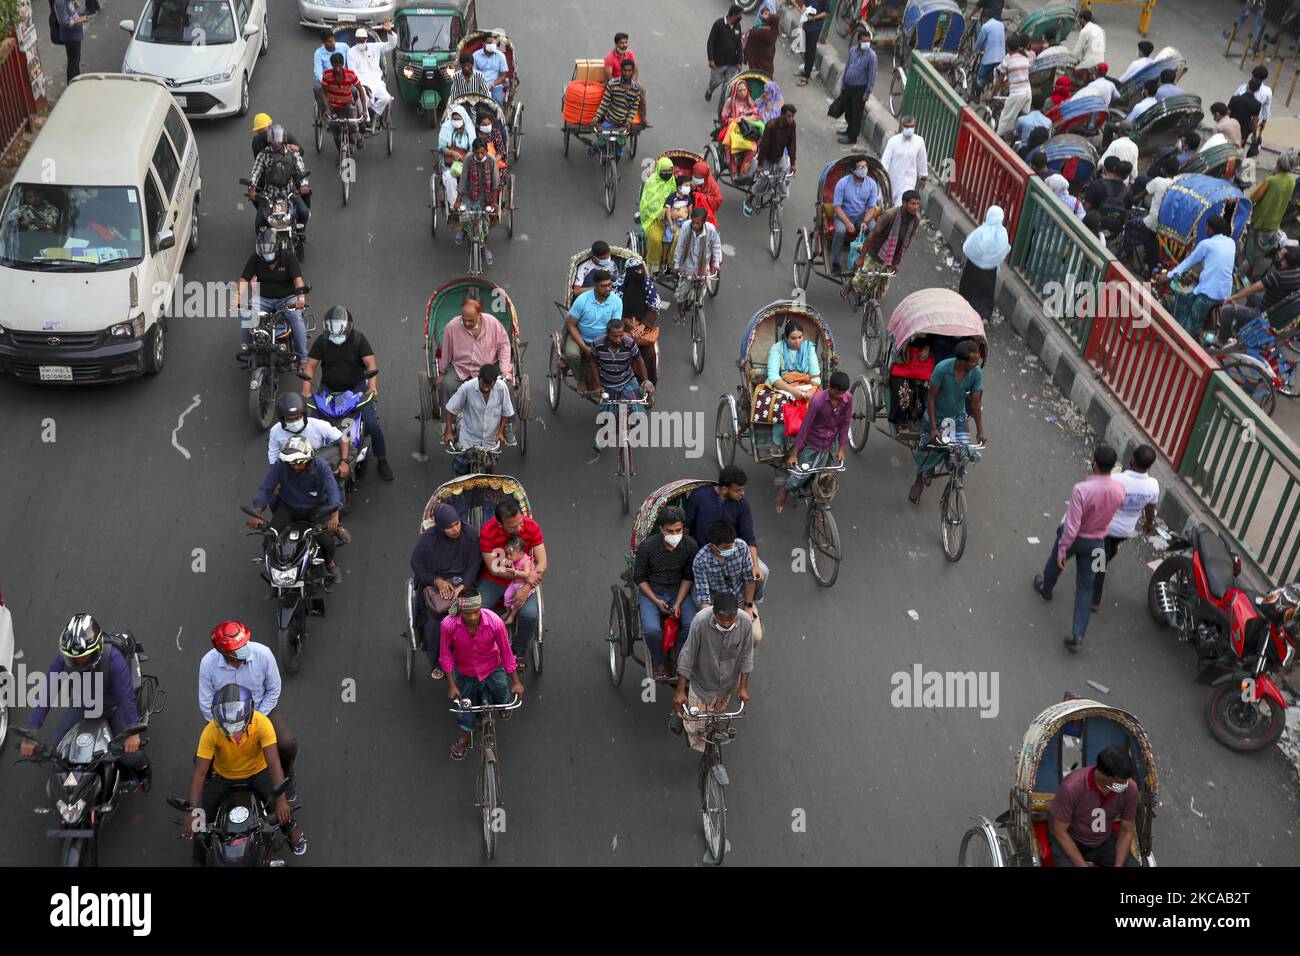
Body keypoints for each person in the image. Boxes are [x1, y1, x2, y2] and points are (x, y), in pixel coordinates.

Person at [20, 614, 150, 790]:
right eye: (72, 658)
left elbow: (126, 697)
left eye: (82, 657)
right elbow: (47, 692)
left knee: (130, 757)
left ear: (96, 650)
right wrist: (31, 733)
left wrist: (133, 731)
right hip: (83, 705)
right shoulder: (65, 658)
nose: (76, 662)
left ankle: (144, 770)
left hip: (113, 707)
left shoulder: (113, 659)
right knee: (57, 754)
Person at [183, 683, 305, 862]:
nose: (233, 734)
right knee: (201, 820)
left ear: (249, 715)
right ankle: (198, 858)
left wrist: (281, 802)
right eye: (228, 727)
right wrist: (192, 811)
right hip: (224, 776)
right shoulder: (210, 731)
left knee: (280, 807)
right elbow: (200, 773)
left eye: (237, 726)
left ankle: (290, 828)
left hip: (258, 772)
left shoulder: (262, 723)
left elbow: (273, 763)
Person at [1033, 444, 1126, 651]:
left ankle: (1046, 589)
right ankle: (1078, 636)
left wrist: (1063, 549)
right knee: (1086, 587)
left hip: (1075, 539)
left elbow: (1072, 525)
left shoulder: (1081, 490)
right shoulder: (1120, 490)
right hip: (1099, 543)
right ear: (1112, 468)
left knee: (1054, 563)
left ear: (1094, 464)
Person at [199, 622, 297, 794]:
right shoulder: (208, 663)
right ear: (223, 652)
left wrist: (256, 719)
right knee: (202, 760)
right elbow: (206, 704)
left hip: (260, 711)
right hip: (223, 718)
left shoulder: (264, 654)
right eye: (238, 647)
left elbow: (274, 690)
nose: (245, 649)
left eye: (245, 643)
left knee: (288, 744)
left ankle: (286, 775)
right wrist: (226, 726)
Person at [301, 306, 394, 481]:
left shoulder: (359, 340)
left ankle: (382, 459)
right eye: (332, 330)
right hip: (328, 390)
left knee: (373, 425)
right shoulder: (321, 342)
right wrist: (306, 391)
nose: (336, 335)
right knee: (312, 423)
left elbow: (371, 366)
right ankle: (309, 460)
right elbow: (310, 366)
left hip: (356, 390)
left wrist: (371, 389)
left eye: (340, 330)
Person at [440, 589, 525, 760]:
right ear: (460, 611)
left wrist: (516, 681)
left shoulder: (495, 622)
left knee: (502, 694)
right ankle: (465, 737)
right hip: (465, 671)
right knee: (465, 707)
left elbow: (506, 653)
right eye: (467, 613)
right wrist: (452, 685)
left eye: (475, 611)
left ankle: (502, 706)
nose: (472, 617)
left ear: (480, 608)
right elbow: (446, 656)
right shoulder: (448, 625)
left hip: (493, 667)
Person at [249, 437, 344, 583]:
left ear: (309, 458)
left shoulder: (322, 466)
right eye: (291, 463)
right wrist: (257, 512)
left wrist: (334, 516)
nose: (295, 467)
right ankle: (273, 567)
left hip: (316, 509)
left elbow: (332, 492)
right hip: (289, 507)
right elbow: (266, 489)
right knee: (270, 538)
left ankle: (330, 563)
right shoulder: (280, 466)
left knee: (325, 540)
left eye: (299, 462)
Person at [672, 592, 754, 754]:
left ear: (736, 614)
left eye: (730, 620)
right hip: (702, 683)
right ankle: (682, 719)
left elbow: (747, 657)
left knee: (716, 718)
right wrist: (680, 691)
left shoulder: (745, 623)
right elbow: (688, 656)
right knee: (694, 727)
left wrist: (743, 687)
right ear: (713, 612)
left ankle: (709, 751)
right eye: (721, 619)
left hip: (727, 685)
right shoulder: (700, 621)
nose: (726, 623)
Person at [909, 340, 987, 503]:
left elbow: (975, 402)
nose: (977, 363)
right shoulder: (942, 369)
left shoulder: (976, 373)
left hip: (958, 418)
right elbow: (931, 398)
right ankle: (918, 480)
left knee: (962, 453)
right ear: (961, 361)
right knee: (927, 451)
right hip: (936, 417)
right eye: (973, 361)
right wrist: (932, 427)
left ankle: (956, 484)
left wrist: (980, 430)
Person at [411, 502, 481, 676]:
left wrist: (464, 584)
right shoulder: (428, 540)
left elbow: (475, 562)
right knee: (435, 626)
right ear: (441, 527)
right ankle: (438, 662)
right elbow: (416, 564)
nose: (456, 529)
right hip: (437, 586)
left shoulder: (470, 534)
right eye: (450, 527)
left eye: (457, 523)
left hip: (465, 582)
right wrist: (437, 581)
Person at [477, 498, 547, 665]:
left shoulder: (531, 526)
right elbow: (494, 568)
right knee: (478, 611)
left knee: (530, 615)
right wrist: (523, 576)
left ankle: (519, 650)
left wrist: (527, 585)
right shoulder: (488, 532)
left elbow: (542, 561)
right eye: (513, 527)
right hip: (495, 579)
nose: (520, 528)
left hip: (525, 582)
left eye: (520, 523)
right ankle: (486, 648)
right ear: (500, 524)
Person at [635, 506, 700, 681]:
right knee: (651, 630)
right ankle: (659, 661)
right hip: (652, 592)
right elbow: (640, 579)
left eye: (678, 530)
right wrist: (656, 601)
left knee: (693, 624)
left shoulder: (690, 545)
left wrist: (678, 603)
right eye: (670, 531)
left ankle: (677, 654)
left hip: (679, 591)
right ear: (662, 529)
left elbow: (688, 576)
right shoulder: (647, 547)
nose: (675, 534)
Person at [686, 467, 769, 605]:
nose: (742, 493)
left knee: (763, 571)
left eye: (743, 489)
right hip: (703, 552)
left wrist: (755, 565)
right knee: (697, 598)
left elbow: (749, 537)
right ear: (724, 489)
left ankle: (753, 601)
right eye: (738, 490)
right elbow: (687, 528)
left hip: (732, 548)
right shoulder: (699, 496)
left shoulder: (742, 505)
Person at [1091, 445, 1159, 612]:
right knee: (1111, 549)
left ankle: (1094, 600)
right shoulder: (1153, 485)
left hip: (1106, 528)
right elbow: (1150, 508)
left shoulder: (1117, 479)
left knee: (1099, 565)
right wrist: (1148, 524)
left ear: (1132, 460)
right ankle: (1104, 558)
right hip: (1126, 531)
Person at [1048, 746, 1140, 867]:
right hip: (1070, 838)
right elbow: (1060, 832)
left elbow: (1126, 831)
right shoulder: (1072, 788)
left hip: (1104, 841)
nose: (1124, 785)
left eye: (1126, 780)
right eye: (1119, 781)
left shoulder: (1130, 789)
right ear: (1104, 775)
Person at [777, 370, 851, 513]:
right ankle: (785, 491)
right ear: (830, 387)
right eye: (838, 393)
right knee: (800, 475)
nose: (841, 397)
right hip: (812, 444)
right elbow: (805, 427)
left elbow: (846, 423)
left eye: (843, 393)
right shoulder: (818, 401)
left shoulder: (847, 399)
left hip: (829, 445)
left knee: (826, 480)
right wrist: (794, 454)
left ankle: (820, 509)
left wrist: (842, 448)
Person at [238, 229, 308, 363]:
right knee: (246, 315)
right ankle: (248, 352)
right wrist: (237, 297)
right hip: (263, 299)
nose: (266, 254)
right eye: (263, 250)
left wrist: (301, 298)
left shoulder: (289, 257)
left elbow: (298, 280)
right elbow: (243, 279)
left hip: (287, 298)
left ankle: (303, 358)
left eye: (269, 250)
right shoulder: (255, 258)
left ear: (277, 248)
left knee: (296, 318)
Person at [1160, 215, 1237, 336]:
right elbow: (1216, 264)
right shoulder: (1231, 243)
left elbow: (1188, 263)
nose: (1206, 229)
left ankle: (1179, 336)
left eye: (1207, 227)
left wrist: (1169, 275)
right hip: (1226, 292)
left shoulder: (1206, 244)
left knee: (1183, 297)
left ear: (1210, 229)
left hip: (1209, 293)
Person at [437, 297, 514, 410]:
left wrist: (504, 371)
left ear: (479, 315)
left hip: (488, 370)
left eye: (471, 320)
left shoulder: (493, 324)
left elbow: (504, 346)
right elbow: (446, 351)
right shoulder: (452, 327)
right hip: (461, 370)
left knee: (507, 387)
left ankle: (509, 423)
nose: (467, 323)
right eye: (464, 320)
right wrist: (442, 372)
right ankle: (448, 422)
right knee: (446, 385)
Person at [442, 362, 513, 468]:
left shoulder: (502, 388)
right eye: (483, 386)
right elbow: (450, 409)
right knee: (461, 471)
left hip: (490, 439)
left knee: (490, 470)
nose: (485, 390)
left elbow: (506, 412)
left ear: (494, 382)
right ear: (479, 378)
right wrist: (448, 431)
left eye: (489, 388)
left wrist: (500, 432)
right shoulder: (467, 387)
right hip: (469, 439)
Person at [267, 392, 348, 484]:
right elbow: (273, 457)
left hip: (319, 462)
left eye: (297, 418)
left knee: (336, 487)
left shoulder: (318, 425)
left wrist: (344, 461)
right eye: (289, 419)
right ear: (282, 420)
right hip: (293, 469)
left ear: (304, 415)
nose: (294, 422)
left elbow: (343, 438)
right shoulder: (275, 431)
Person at [566, 269, 623, 393]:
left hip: (604, 339)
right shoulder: (582, 300)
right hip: (580, 337)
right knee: (571, 355)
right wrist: (584, 347)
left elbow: (614, 328)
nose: (608, 288)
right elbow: (571, 325)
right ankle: (581, 378)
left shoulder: (616, 302)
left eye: (609, 285)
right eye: (603, 286)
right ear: (595, 286)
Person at [246, 125, 311, 234]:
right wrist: (251, 188)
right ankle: (264, 247)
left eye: (278, 140)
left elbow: (301, 169)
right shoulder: (264, 154)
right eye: (274, 140)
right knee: (259, 224)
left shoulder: (292, 152)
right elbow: (256, 172)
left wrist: (304, 185)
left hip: (289, 193)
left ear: (283, 140)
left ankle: (299, 233)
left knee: (304, 213)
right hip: (269, 195)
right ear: (270, 140)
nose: (276, 143)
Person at [1243, 152, 1298, 278]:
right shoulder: (1291, 181)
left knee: (1251, 250)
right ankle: (1250, 269)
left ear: (1279, 163)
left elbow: (1253, 197)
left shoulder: (1271, 181)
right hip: (1275, 222)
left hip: (1261, 220)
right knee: (1260, 248)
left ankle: (1243, 273)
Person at [692, 521, 758, 619]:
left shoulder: (741, 547)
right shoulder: (700, 561)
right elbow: (704, 597)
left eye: (732, 545)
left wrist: (748, 606)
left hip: (739, 599)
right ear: (712, 546)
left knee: (756, 634)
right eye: (726, 547)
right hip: (716, 605)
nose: (731, 549)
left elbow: (749, 580)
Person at [1224, 243, 1300, 328]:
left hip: (1264, 313)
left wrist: (1232, 297)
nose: (1278, 257)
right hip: (1276, 309)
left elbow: (1253, 288)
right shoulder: (1297, 273)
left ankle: (1221, 340)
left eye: (1281, 256)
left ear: (1285, 261)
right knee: (1253, 296)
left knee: (1227, 310)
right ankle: (1239, 327)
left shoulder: (1278, 276)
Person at [829, 155, 882, 274]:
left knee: (874, 229)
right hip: (843, 216)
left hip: (861, 216)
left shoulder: (872, 184)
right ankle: (835, 262)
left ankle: (869, 259)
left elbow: (872, 207)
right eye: (860, 167)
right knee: (840, 231)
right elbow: (837, 206)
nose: (864, 169)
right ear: (853, 170)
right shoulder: (842, 183)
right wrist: (847, 222)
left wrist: (865, 221)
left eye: (865, 166)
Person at [743, 103, 797, 218]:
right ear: (782, 115)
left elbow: (792, 144)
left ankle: (778, 200)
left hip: (780, 156)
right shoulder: (771, 126)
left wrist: (793, 163)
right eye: (789, 116)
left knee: (783, 180)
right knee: (762, 181)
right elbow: (764, 146)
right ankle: (749, 200)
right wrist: (761, 164)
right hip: (767, 157)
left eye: (792, 116)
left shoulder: (792, 125)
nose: (791, 119)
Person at [960, 206, 1011, 323]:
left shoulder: (981, 232)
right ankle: (984, 316)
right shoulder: (1003, 234)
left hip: (973, 267)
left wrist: (978, 259)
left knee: (969, 288)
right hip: (990, 270)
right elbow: (1004, 250)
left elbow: (967, 247)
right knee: (986, 292)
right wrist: (991, 261)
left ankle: (964, 310)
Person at [618, 257, 665, 385]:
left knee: (650, 354)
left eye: (640, 271)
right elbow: (613, 310)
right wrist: (628, 326)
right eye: (635, 271)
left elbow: (654, 306)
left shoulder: (647, 285)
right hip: (621, 327)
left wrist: (642, 326)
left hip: (642, 327)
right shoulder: (618, 287)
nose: (638, 274)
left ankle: (649, 386)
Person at [856, 189, 922, 280]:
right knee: (859, 281)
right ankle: (849, 285)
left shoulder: (916, 219)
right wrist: (861, 257)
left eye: (918, 204)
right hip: (875, 253)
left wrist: (897, 262)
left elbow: (908, 241)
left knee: (880, 290)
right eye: (913, 204)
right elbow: (873, 234)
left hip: (891, 259)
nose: (916, 207)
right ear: (904, 203)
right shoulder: (889, 215)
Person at [673, 206, 723, 323]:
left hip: (702, 266)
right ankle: (679, 311)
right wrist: (676, 265)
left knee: (701, 290)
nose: (695, 225)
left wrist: (715, 264)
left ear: (704, 222)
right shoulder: (686, 227)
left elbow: (716, 247)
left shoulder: (711, 230)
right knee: (682, 291)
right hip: (688, 264)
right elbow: (680, 246)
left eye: (698, 223)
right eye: (693, 222)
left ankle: (698, 305)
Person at [592, 58, 648, 160]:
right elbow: (605, 101)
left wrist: (627, 122)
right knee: (601, 141)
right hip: (610, 119)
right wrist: (597, 116)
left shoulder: (636, 89)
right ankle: (597, 147)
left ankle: (614, 172)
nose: (627, 73)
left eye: (629, 71)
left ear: (632, 72)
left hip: (623, 123)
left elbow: (633, 108)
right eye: (625, 70)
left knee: (620, 147)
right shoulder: (612, 84)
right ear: (621, 70)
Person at [456, 137, 501, 264]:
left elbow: (495, 184)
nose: (480, 155)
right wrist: (458, 200)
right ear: (473, 151)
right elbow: (463, 180)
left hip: (485, 197)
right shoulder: (468, 159)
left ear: (486, 151)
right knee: (464, 213)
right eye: (477, 153)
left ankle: (483, 249)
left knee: (484, 222)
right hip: (470, 194)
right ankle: (464, 230)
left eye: (482, 152)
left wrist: (494, 202)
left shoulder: (492, 161)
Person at [346, 23, 398, 125]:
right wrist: (363, 86)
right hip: (361, 84)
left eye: (362, 40)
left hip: (377, 83)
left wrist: (389, 31)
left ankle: (375, 112)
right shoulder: (351, 52)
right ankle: (364, 119)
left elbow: (391, 45)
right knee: (362, 102)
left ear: (366, 39)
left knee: (387, 99)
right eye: (358, 40)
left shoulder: (375, 47)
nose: (360, 43)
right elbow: (353, 72)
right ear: (355, 40)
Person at [836, 27, 877, 145]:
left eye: (868, 41)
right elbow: (847, 67)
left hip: (860, 89)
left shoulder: (871, 56)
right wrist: (843, 83)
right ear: (859, 41)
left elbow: (872, 76)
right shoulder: (853, 51)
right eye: (864, 41)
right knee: (848, 110)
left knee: (856, 113)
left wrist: (867, 93)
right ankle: (849, 130)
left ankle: (852, 137)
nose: (866, 43)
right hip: (849, 85)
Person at [321, 52, 368, 149]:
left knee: (353, 125)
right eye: (335, 66)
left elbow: (360, 90)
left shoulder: (351, 75)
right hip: (333, 106)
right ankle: (340, 153)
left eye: (339, 66)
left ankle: (357, 136)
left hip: (348, 104)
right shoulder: (327, 75)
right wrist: (326, 108)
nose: (337, 69)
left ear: (342, 65)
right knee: (333, 128)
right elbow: (323, 93)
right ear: (332, 65)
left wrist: (364, 109)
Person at [640, 157, 678, 272]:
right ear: (659, 170)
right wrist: (661, 212)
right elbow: (647, 204)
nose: (667, 174)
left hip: (672, 220)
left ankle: (670, 264)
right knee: (656, 239)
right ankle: (654, 266)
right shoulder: (651, 182)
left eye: (669, 171)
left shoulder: (673, 182)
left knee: (678, 238)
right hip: (654, 220)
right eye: (664, 171)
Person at [992, 35, 1033, 141]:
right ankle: (1015, 141)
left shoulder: (1007, 61)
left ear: (1008, 48)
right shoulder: (1025, 59)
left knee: (1003, 122)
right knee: (1022, 119)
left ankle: (996, 143)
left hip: (1017, 93)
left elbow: (999, 81)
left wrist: (991, 94)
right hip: (1028, 92)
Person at [881, 116, 928, 207]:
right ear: (902, 126)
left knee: (901, 207)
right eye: (907, 127)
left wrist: (923, 177)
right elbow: (886, 160)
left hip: (908, 181)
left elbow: (922, 159)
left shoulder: (919, 141)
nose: (909, 129)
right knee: (888, 205)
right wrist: (882, 175)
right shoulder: (893, 141)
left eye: (912, 126)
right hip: (892, 179)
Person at [436, 103, 474, 208]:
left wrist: (466, 158)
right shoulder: (446, 127)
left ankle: (470, 204)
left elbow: (473, 148)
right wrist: (452, 153)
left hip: (466, 160)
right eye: (454, 119)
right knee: (449, 178)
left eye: (458, 119)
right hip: (449, 161)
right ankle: (454, 206)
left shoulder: (470, 129)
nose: (456, 121)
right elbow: (441, 147)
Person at [491, 537, 533, 626]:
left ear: (521, 554)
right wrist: (505, 561)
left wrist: (515, 572)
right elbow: (502, 564)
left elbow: (526, 574)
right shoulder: (511, 558)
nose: (508, 556)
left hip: (523, 583)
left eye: (510, 554)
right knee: (507, 596)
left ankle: (512, 616)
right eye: (507, 554)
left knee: (516, 601)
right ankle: (508, 611)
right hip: (514, 583)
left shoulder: (526, 561)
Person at [1083, 156, 1130, 235]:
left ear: (1104, 169)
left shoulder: (1096, 184)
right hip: (1112, 232)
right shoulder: (1128, 192)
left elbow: (1086, 208)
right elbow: (1126, 215)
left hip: (1092, 230)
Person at [707, 5, 745, 101]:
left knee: (728, 86)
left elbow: (739, 45)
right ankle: (709, 90)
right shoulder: (718, 24)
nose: (741, 17)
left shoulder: (737, 26)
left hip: (732, 63)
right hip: (718, 62)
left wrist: (739, 61)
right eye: (739, 15)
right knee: (715, 82)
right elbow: (710, 42)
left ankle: (723, 104)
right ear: (732, 15)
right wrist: (711, 59)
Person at [1236, 65, 1273, 157]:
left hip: (1237, 118)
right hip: (1250, 124)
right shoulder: (1267, 92)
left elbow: (1232, 102)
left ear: (1252, 75)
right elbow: (1265, 110)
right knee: (1242, 141)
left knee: (1236, 139)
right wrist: (1259, 129)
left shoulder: (1242, 87)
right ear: (1265, 78)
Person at [52, 0, 89, 83]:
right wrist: (80, 20)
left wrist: (74, 3)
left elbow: (71, 12)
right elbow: (64, 22)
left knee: (76, 60)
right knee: (73, 62)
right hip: (70, 36)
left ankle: (78, 82)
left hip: (75, 34)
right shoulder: (60, 2)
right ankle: (71, 85)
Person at [972, 9, 1006, 99]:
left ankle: (977, 97)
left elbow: (979, 42)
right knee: (997, 77)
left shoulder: (985, 27)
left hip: (990, 58)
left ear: (984, 17)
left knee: (980, 77)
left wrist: (974, 50)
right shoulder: (1001, 25)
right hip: (1002, 57)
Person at [313, 30, 350, 113]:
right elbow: (318, 72)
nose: (332, 43)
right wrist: (326, 82)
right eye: (329, 42)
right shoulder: (318, 53)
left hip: (343, 77)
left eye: (333, 40)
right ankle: (325, 110)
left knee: (354, 89)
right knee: (317, 88)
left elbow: (351, 61)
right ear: (323, 42)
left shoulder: (344, 47)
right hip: (327, 80)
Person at [473, 31, 512, 106]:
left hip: (495, 86)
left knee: (497, 103)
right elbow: (473, 73)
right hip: (479, 86)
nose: (492, 45)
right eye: (489, 43)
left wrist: (492, 85)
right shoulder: (475, 55)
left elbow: (503, 75)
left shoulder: (501, 56)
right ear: (484, 43)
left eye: (494, 43)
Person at [1229, 76, 1265, 154]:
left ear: (1248, 85)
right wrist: (1255, 136)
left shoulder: (1235, 99)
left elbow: (1227, 114)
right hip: (1242, 131)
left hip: (1230, 127)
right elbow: (1254, 123)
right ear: (1258, 90)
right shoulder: (1257, 105)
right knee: (1236, 153)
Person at [797, 4, 828, 86]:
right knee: (806, 49)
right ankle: (805, 70)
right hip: (806, 24)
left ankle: (806, 76)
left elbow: (826, 12)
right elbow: (805, 4)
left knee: (811, 51)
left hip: (815, 27)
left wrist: (814, 17)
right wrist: (803, 8)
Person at [744, 11, 779, 78]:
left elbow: (752, 33)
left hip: (759, 57)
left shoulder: (765, 31)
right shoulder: (775, 31)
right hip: (768, 56)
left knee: (757, 74)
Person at [691, 160, 724, 224]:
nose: (696, 178)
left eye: (699, 177)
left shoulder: (712, 185)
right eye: (694, 176)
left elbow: (718, 199)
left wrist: (702, 197)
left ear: (705, 176)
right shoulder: (692, 180)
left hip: (704, 212)